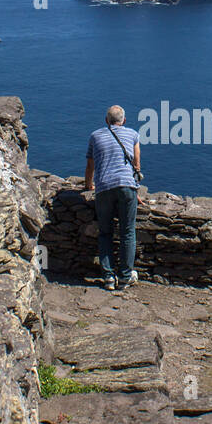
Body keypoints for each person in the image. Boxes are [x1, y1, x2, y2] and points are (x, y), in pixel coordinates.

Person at [84, 105, 142, 290]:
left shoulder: (95, 136)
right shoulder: (133, 135)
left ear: (106, 120)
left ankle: (108, 277)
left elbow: (90, 165)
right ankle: (125, 276)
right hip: (126, 187)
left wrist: (88, 186)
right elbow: (136, 166)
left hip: (104, 188)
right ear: (123, 120)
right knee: (127, 232)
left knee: (105, 232)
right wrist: (136, 190)